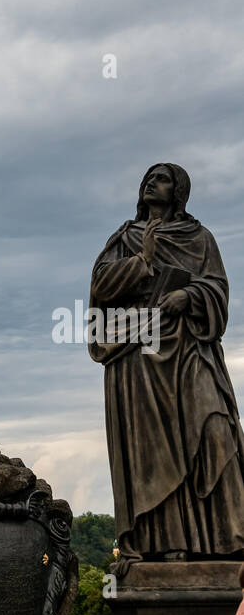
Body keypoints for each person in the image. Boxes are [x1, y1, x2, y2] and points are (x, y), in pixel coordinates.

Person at [89, 163, 244, 567]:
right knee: (154, 452)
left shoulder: (200, 238)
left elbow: (217, 288)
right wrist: (144, 259)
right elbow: (100, 288)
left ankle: (229, 538)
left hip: (191, 347)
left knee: (215, 428)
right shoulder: (126, 237)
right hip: (139, 352)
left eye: (159, 178)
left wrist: (189, 297)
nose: (148, 183)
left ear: (178, 191)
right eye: (146, 177)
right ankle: (167, 544)